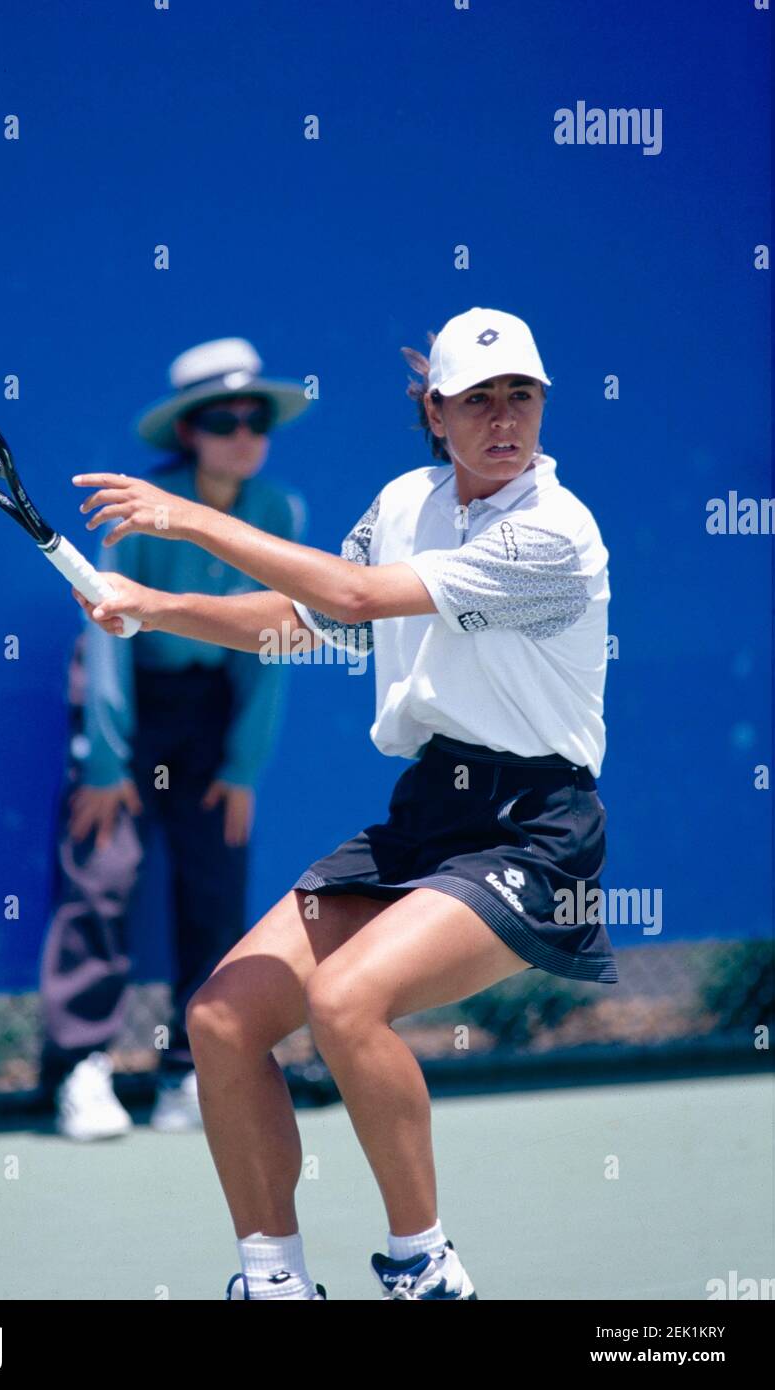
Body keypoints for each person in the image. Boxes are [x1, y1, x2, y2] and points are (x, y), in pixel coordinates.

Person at [70, 307, 616, 1299]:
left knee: (346, 1000)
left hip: (535, 833)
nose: (505, 418)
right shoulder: (409, 501)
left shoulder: (555, 532)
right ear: (435, 413)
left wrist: (187, 518)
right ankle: (273, 1279)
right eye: (479, 399)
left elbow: (359, 599)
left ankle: (424, 1263)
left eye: (522, 396)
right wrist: (161, 607)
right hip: (427, 815)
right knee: (224, 1019)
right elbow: (313, 618)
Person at [38, 337, 310, 1141]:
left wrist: (242, 766)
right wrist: (108, 760)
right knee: (102, 873)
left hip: (213, 713)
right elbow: (108, 638)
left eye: (255, 417)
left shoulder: (281, 512)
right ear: (189, 431)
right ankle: (80, 1070)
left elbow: (279, 643)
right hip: (127, 704)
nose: (243, 433)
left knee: (216, 885)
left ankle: (189, 1073)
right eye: (222, 419)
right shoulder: (137, 508)